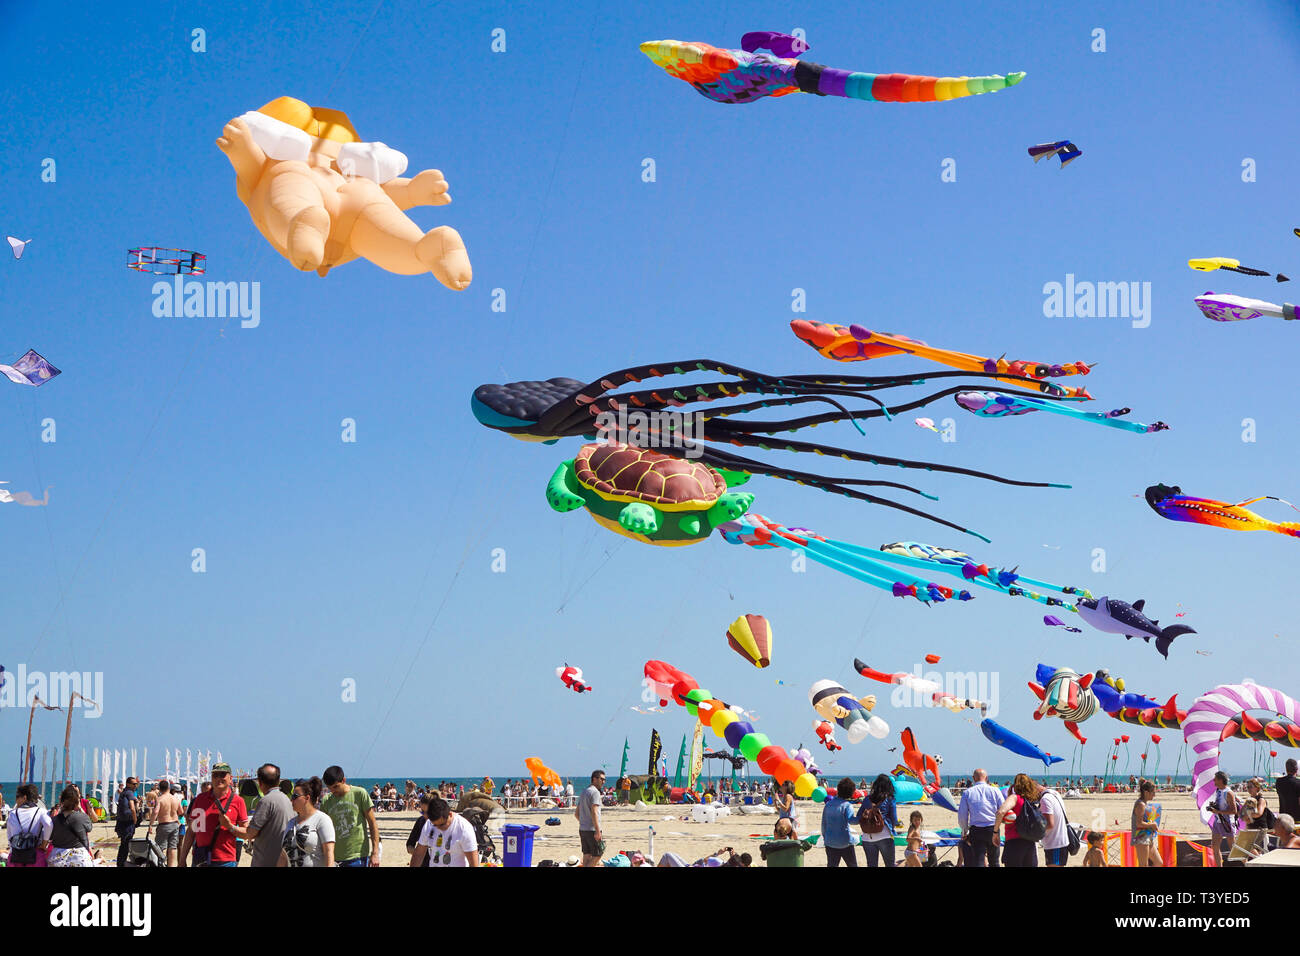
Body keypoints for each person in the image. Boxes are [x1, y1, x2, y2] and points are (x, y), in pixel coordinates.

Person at [218, 763, 293, 867]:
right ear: (278, 780)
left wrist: (229, 826)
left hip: (267, 860)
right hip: (284, 859)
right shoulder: (287, 800)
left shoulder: (266, 801)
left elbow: (250, 833)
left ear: (260, 782)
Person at [179, 763, 248, 867]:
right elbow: (192, 831)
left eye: (222, 775)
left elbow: (246, 833)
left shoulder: (238, 801)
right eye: (215, 775)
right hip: (201, 858)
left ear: (230, 778)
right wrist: (182, 858)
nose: (218, 778)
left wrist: (230, 826)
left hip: (226, 860)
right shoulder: (200, 799)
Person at [321, 765, 381, 867]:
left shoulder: (360, 793)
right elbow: (323, 830)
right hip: (334, 858)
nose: (333, 791)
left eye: (336, 787)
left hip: (358, 856)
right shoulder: (326, 801)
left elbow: (372, 823)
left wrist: (375, 852)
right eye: (330, 788)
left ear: (344, 780)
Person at [278, 778, 335, 867]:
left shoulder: (322, 820)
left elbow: (329, 853)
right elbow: (283, 857)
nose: (291, 800)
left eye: (295, 796)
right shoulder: (291, 823)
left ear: (307, 798)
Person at [410, 796, 480, 867]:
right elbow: (419, 854)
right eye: (435, 825)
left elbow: (473, 863)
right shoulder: (429, 824)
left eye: (442, 825)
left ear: (450, 814)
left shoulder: (464, 828)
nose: (439, 828)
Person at [957, 768, 1001, 867]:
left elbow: (962, 815)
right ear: (987, 778)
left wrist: (964, 830)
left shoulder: (968, 792)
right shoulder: (995, 790)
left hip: (976, 830)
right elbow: (1002, 810)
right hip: (993, 828)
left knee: (978, 861)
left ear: (973, 778)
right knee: (994, 861)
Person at [997, 773, 1042, 867]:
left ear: (1015, 785)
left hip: (1014, 841)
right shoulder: (1031, 800)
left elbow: (1001, 812)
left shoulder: (1015, 798)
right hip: (1030, 840)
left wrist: (995, 832)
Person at [5, 783, 52, 867]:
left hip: (16, 855)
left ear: (24, 797)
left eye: (17, 797)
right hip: (35, 854)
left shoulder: (12, 814)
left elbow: (9, 836)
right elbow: (49, 824)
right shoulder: (41, 812)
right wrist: (44, 843)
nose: (16, 800)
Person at [48, 786, 95, 867]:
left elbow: (50, 836)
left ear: (61, 802)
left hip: (58, 856)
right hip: (78, 856)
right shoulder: (81, 817)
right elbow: (89, 828)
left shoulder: (54, 820)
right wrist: (80, 808)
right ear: (76, 802)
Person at [858, 774, 898, 867]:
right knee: (890, 864)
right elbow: (894, 819)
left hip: (867, 836)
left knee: (871, 864)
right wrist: (896, 825)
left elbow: (859, 816)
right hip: (884, 835)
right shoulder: (890, 799)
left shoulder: (867, 799)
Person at [821, 777, 858, 867]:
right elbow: (852, 821)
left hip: (830, 841)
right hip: (844, 842)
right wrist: (861, 817)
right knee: (852, 865)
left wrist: (825, 838)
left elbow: (823, 824)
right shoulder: (847, 805)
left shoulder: (828, 804)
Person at [1205, 771, 1237, 867]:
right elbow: (1221, 806)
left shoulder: (1228, 793)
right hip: (1218, 822)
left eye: (1215, 779)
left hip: (1227, 822)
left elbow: (1234, 811)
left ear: (1220, 780)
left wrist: (1218, 812)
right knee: (1214, 846)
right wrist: (1214, 807)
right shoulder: (1218, 791)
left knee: (1233, 847)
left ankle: (1246, 863)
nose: (1213, 781)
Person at [149, 778, 184, 867]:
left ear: (160, 789)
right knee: (172, 847)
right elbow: (181, 812)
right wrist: (178, 820)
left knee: (160, 848)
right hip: (175, 824)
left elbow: (155, 811)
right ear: (169, 788)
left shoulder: (160, 799)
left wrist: (151, 824)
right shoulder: (175, 799)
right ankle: (171, 865)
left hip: (164, 824)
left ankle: (160, 864)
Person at [1130, 779, 1164, 866]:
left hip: (1147, 836)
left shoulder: (1145, 804)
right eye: (1153, 792)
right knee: (1143, 865)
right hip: (1140, 837)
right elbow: (1139, 823)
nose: (1154, 795)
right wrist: (1152, 824)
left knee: (1159, 862)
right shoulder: (1140, 804)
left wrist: (1151, 824)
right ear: (1146, 792)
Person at [576, 770, 605, 866]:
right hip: (592, 829)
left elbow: (576, 813)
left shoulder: (584, 792)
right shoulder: (594, 792)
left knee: (587, 855)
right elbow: (594, 811)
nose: (603, 782)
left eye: (604, 779)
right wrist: (597, 830)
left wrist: (584, 822)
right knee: (598, 854)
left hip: (583, 829)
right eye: (601, 779)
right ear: (594, 779)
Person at [1038, 782, 1070, 867]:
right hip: (1060, 840)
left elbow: (1050, 824)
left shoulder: (1045, 799)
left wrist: (1035, 831)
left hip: (1054, 843)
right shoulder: (1055, 794)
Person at [114, 775, 140, 868]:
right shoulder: (129, 793)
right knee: (125, 844)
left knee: (123, 844)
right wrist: (135, 820)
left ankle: (120, 863)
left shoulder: (124, 792)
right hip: (127, 822)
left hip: (121, 822)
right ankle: (121, 863)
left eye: (136, 784)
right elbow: (132, 808)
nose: (135, 786)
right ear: (128, 784)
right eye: (134, 784)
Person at [406, 795, 432, 866]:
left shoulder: (444, 824)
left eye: (429, 812)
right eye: (423, 812)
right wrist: (419, 854)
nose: (425, 815)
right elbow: (409, 845)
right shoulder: (421, 821)